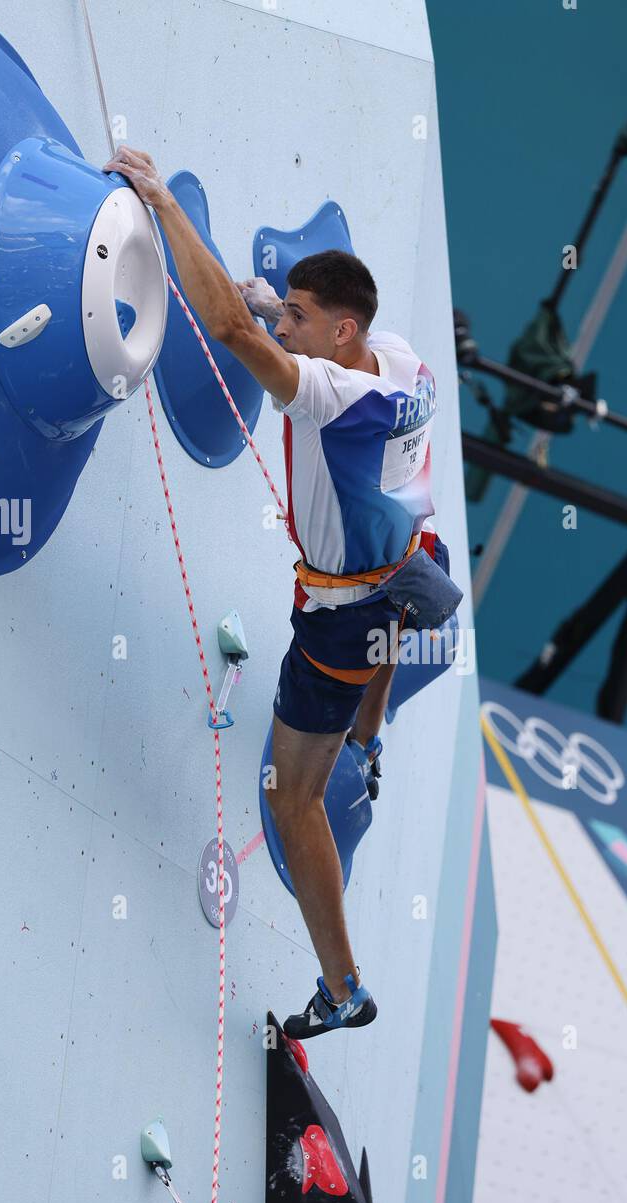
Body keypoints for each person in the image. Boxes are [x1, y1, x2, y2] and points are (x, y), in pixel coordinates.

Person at [105, 146, 446, 1040]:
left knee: (294, 798)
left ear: (339, 333)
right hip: (410, 564)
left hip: (343, 620)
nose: (284, 321)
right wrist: (279, 306)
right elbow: (278, 326)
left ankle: (342, 987)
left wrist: (160, 203)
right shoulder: (400, 359)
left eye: (300, 315)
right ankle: (368, 746)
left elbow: (231, 332)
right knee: (388, 634)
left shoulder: (328, 394)